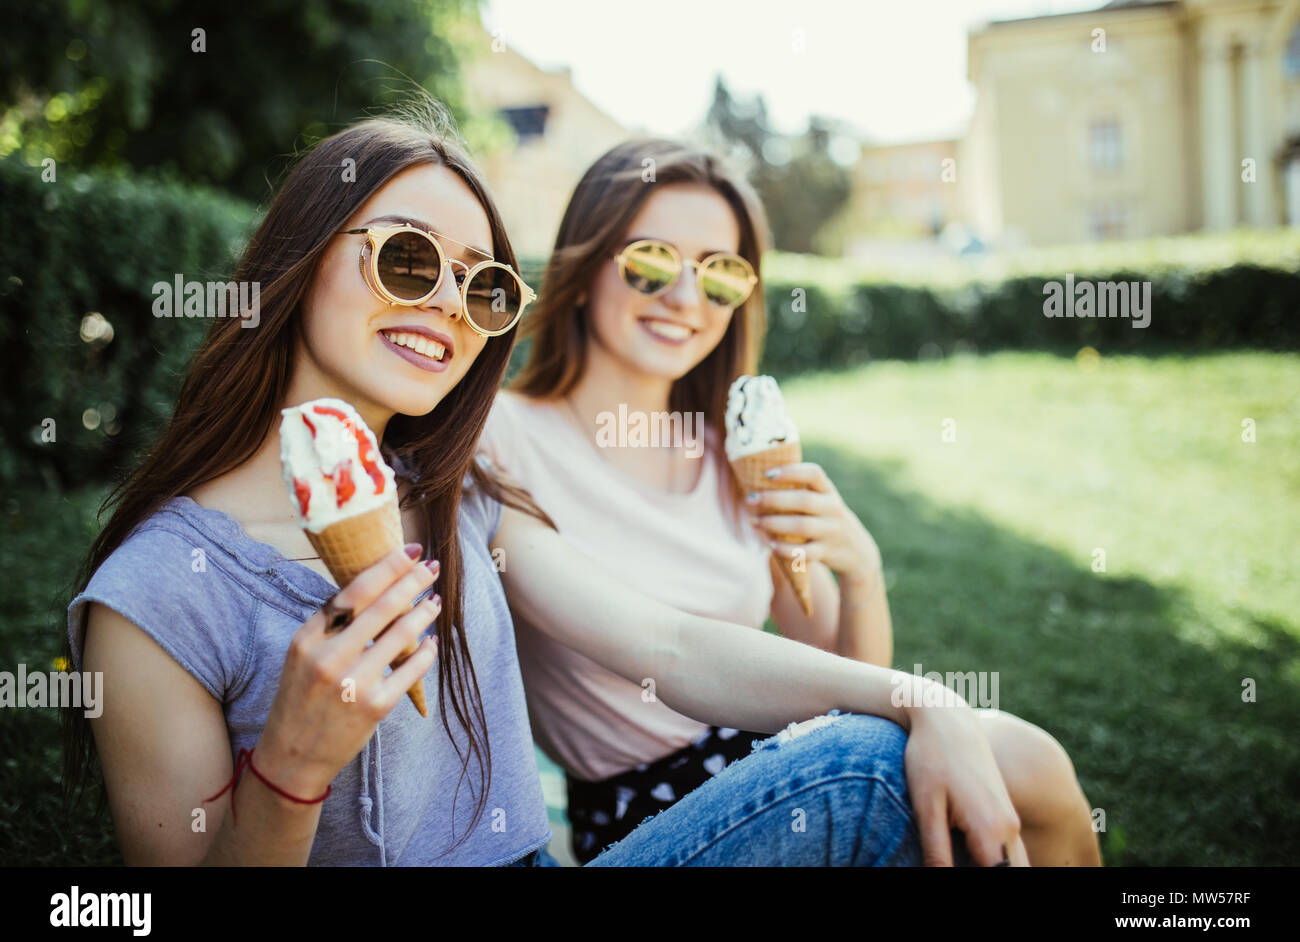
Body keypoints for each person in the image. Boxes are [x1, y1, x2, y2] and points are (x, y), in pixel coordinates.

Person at [63, 105, 1025, 867]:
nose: (447, 302)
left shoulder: (457, 495)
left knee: (907, 761)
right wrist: (293, 765)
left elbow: (671, 644)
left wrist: (921, 699)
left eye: (483, 288)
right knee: (868, 772)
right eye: (408, 259)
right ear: (302, 260)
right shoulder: (154, 599)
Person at [481, 139, 1101, 865]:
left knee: (1019, 786)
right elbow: (673, 647)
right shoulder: (503, 439)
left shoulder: (733, 452)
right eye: (650, 260)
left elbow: (842, 676)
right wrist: (928, 701)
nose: (686, 298)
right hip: (647, 809)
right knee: (1022, 764)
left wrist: (862, 572)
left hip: (785, 754)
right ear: (584, 270)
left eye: (721, 273)